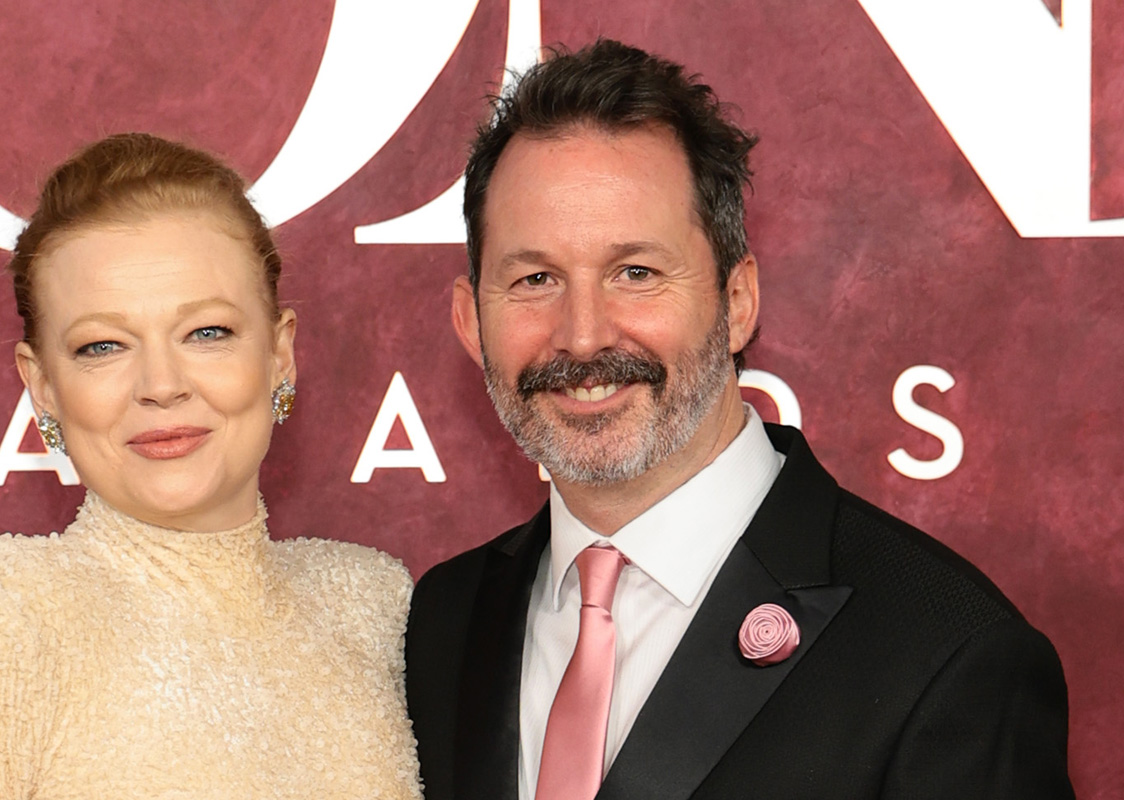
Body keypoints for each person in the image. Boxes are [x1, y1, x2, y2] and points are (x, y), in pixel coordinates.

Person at [405, 40, 1073, 800]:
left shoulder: (949, 657)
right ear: (470, 321)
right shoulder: (443, 622)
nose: (583, 334)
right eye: (535, 278)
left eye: (636, 273)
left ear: (738, 301)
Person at [0, 134, 421, 799]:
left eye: (207, 332)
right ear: (42, 383)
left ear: (280, 353)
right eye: (102, 345)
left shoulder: (371, 603)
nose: (160, 384)